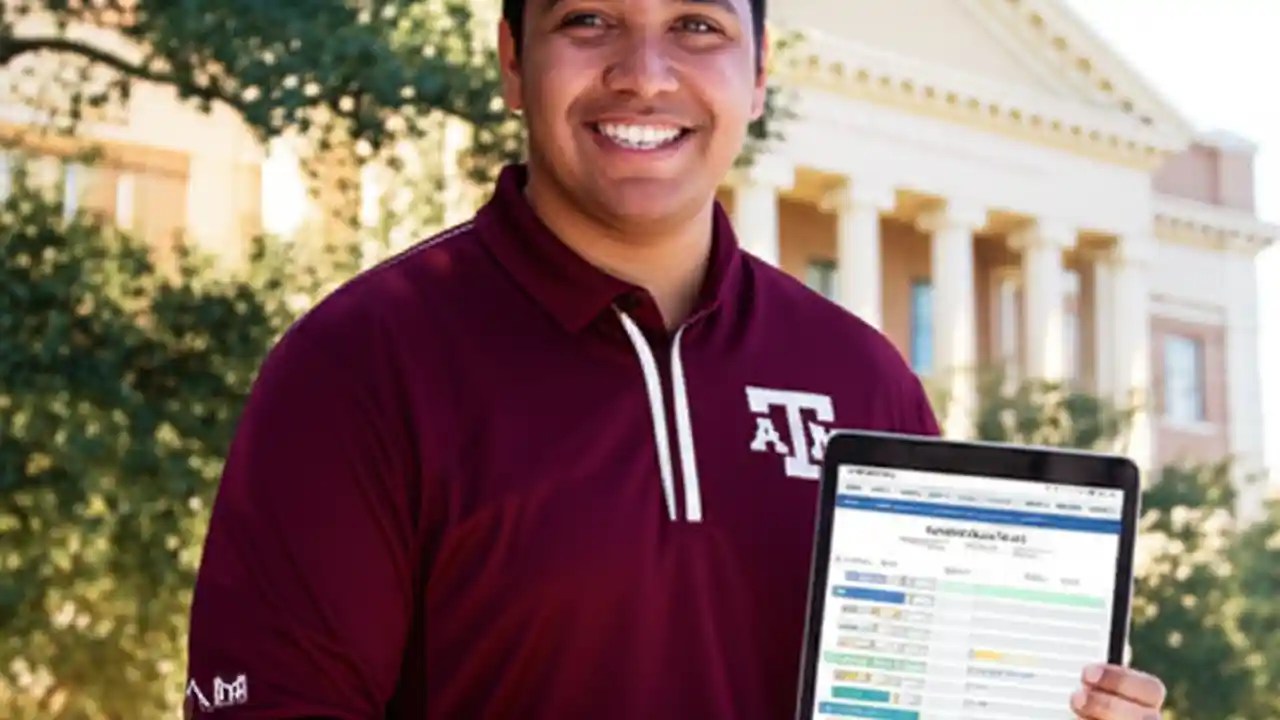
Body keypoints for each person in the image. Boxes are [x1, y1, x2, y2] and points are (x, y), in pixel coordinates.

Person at [185, 0, 1169, 718]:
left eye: (695, 26)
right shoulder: (360, 362)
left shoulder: (862, 380)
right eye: (588, 21)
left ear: (757, 70)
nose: (644, 74)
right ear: (511, 60)